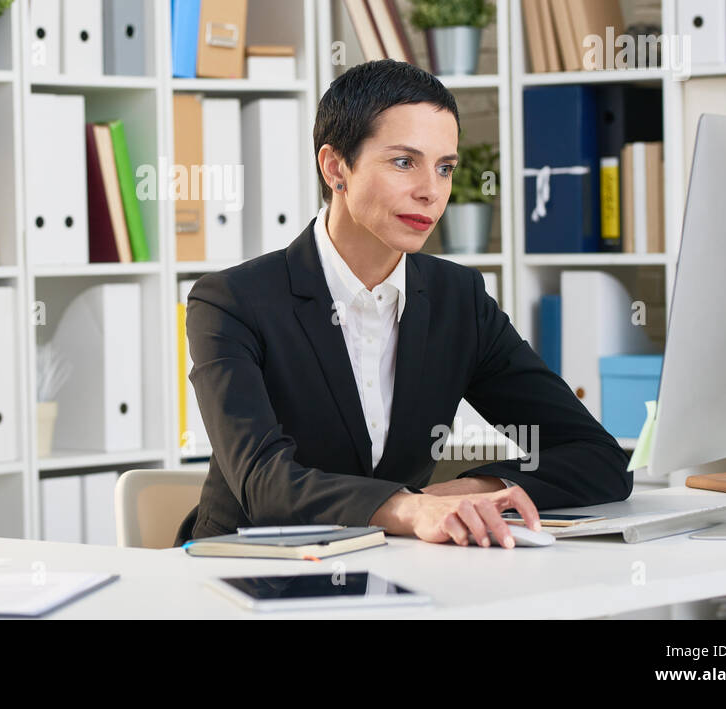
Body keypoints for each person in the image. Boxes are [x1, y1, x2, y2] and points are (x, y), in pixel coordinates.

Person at [174, 59, 632, 549]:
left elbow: (596, 457)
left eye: (444, 168)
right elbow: (265, 483)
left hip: (395, 569)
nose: (430, 192)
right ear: (335, 168)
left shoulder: (460, 300)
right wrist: (410, 506)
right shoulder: (232, 302)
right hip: (247, 569)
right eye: (403, 162)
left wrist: (469, 491)